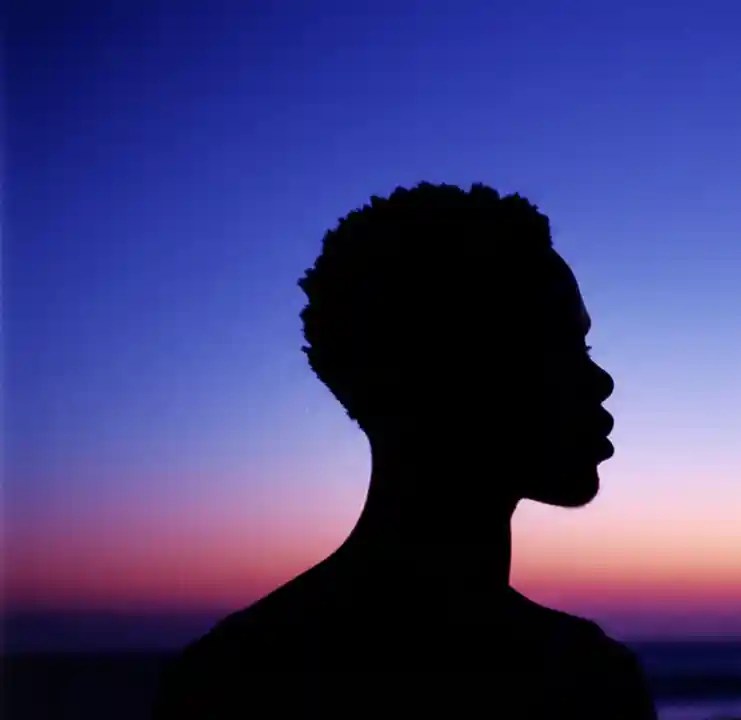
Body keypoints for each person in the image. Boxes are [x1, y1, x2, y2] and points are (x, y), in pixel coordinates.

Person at [153, 182, 656, 718]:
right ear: (440, 374)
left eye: (584, 347)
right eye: (554, 345)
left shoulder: (233, 672)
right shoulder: (581, 682)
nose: (600, 381)